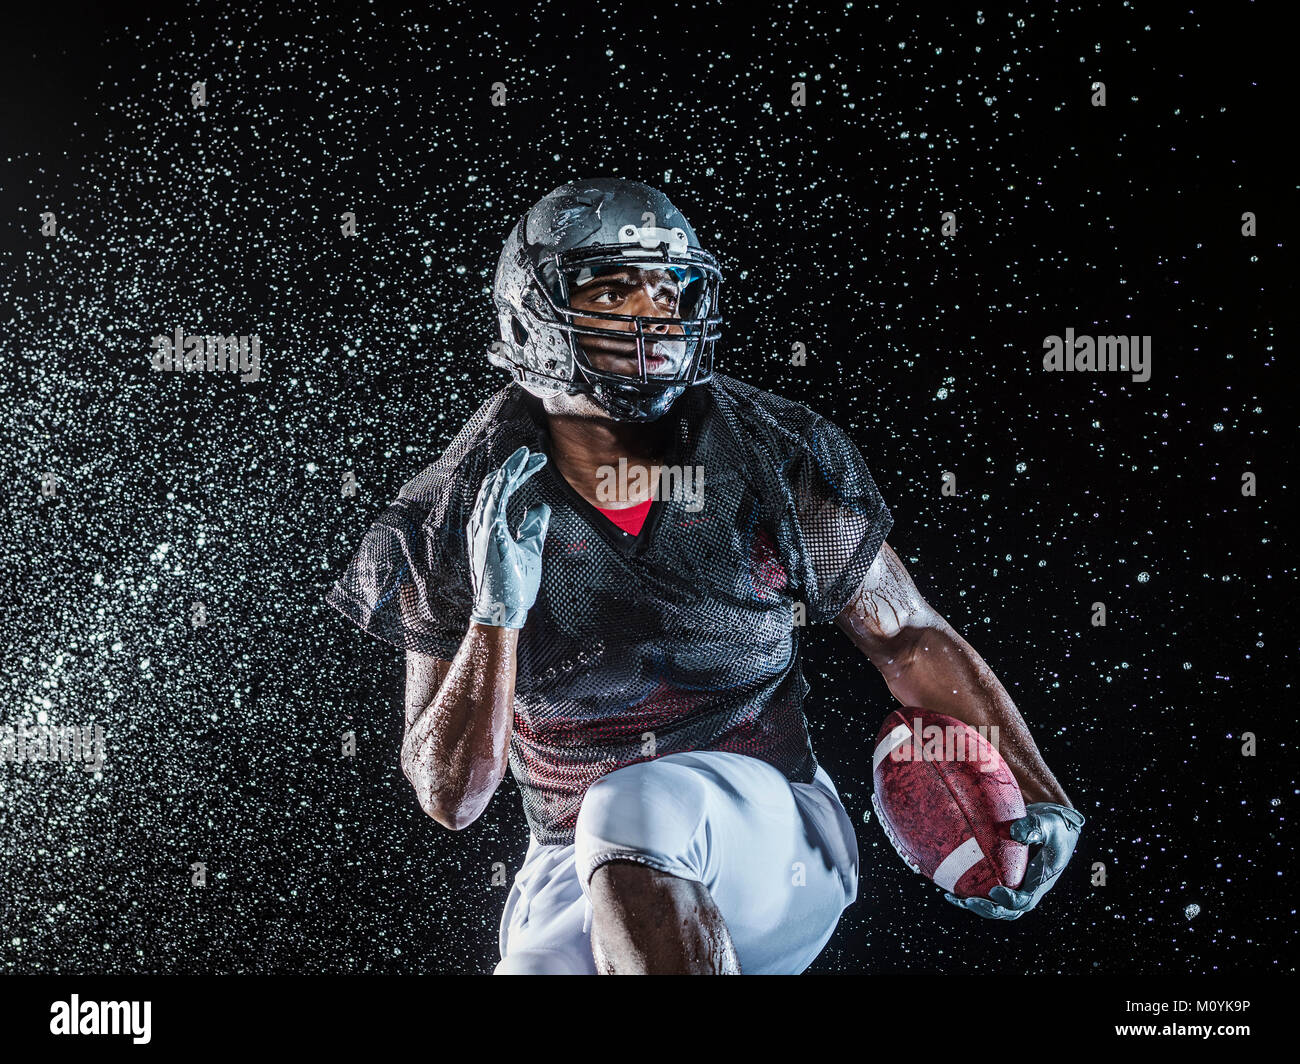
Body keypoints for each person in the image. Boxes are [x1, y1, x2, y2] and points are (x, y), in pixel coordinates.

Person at [326, 178, 1085, 974]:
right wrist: (496, 617)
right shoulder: (454, 510)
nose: (654, 314)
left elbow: (907, 637)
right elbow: (452, 797)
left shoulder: (768, 453)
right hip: (574, 853)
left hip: (773, 838)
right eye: (616, 289)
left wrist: (1039, 793)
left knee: (635, 806)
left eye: (670, 287)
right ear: (531, 316)